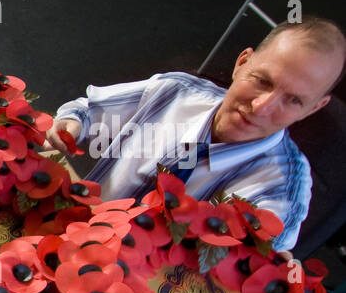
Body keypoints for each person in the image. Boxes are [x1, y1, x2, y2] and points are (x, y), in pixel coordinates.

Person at [46, 17, 346, 251]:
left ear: (313, 109)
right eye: (262, 80)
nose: (260, 107)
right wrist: (70, 125)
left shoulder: (282, 192)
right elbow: (85, 112)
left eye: (293, 100)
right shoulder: (174, 92)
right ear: (242, 63)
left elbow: (243, 283)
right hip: (65, 231)